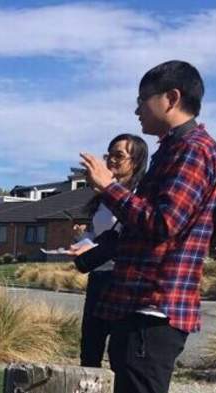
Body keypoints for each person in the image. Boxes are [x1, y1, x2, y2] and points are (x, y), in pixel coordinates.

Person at [78, 60, 216, 393]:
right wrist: (93, 253)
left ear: (171, 97)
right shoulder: (173, 153)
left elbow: (163, 223)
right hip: (139, 306)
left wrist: (108, 187)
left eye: (143, 100)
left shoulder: (194, 152)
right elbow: (144, 226)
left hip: (157, 307)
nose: (137, 109)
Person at [70, 133, 149, 368]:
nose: (111, 161)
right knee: (90, 347)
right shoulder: (102, 197)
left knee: (119, 352)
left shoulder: (138, 197)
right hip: (98, 275)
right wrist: (82, 240)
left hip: (123, 279)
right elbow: (98, 235)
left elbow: (131, 233)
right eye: (109, 155)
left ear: (135, 161)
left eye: (119, 155)